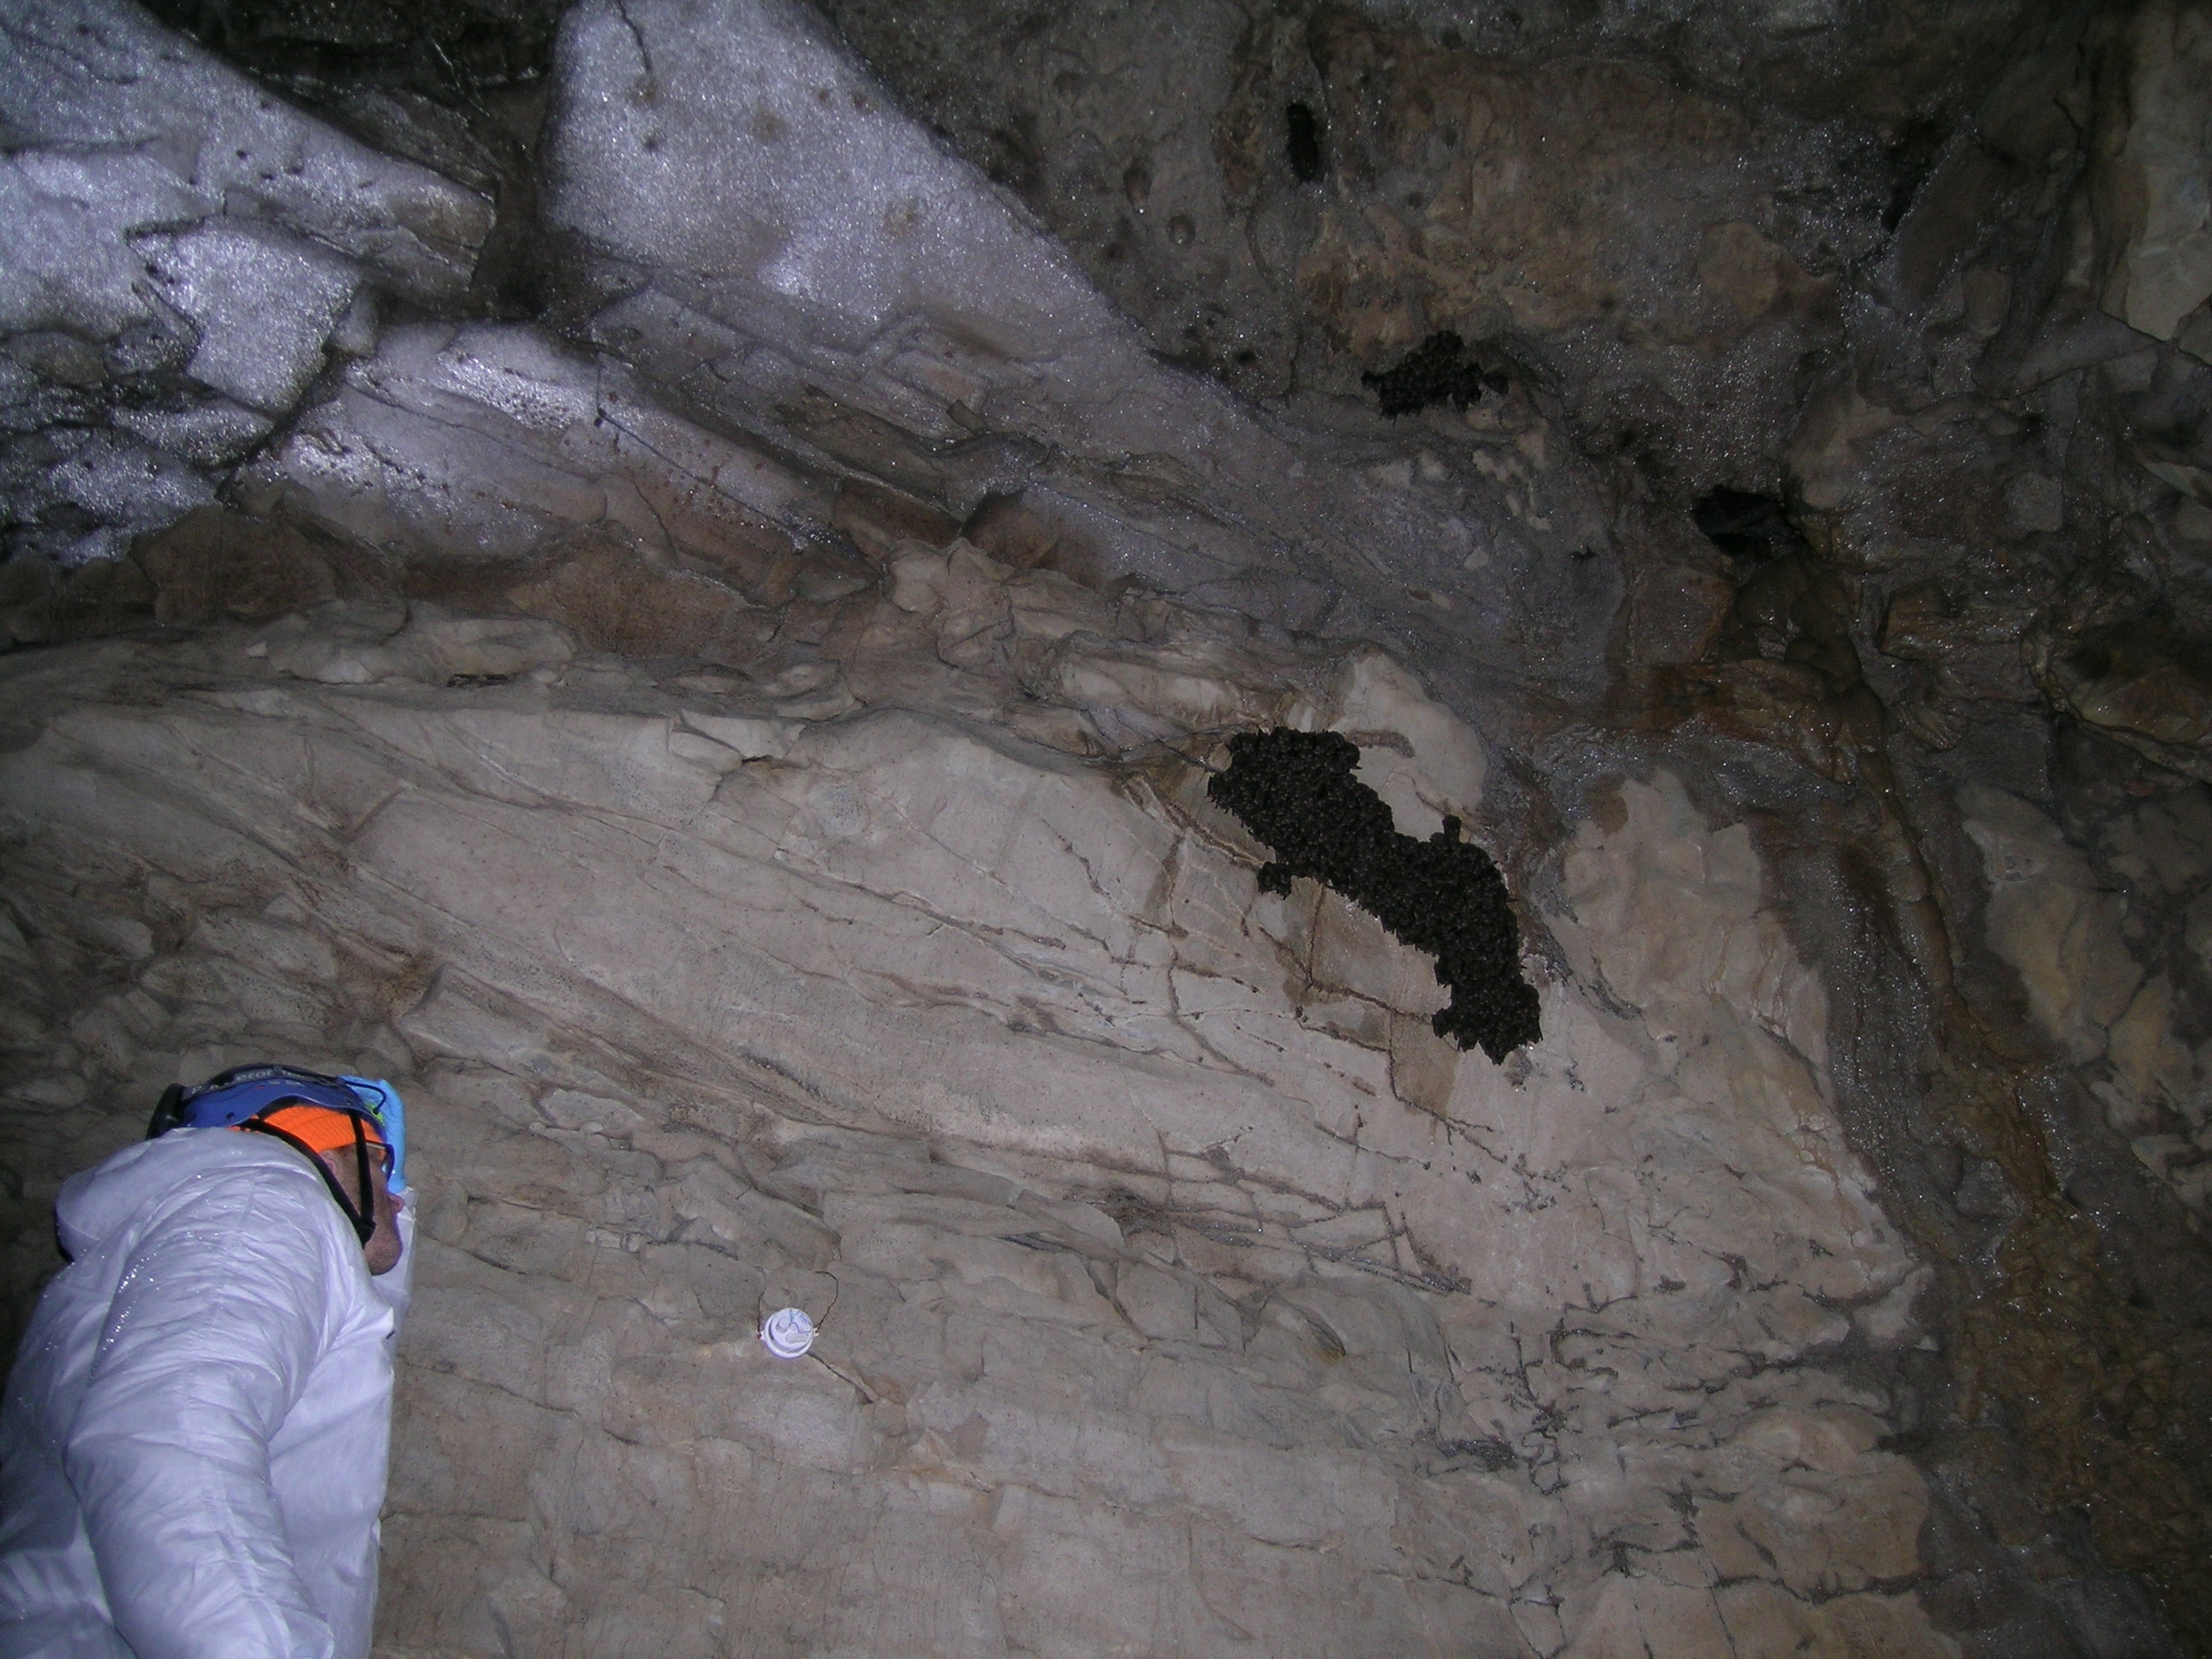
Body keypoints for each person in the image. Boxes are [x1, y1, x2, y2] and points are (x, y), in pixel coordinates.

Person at [0, 1065, 415, 1659]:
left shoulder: (210, 1224)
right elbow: (172, 1431)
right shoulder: (261, 1202)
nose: (395, 1194)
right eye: (377, 1162)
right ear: (318, 1146)